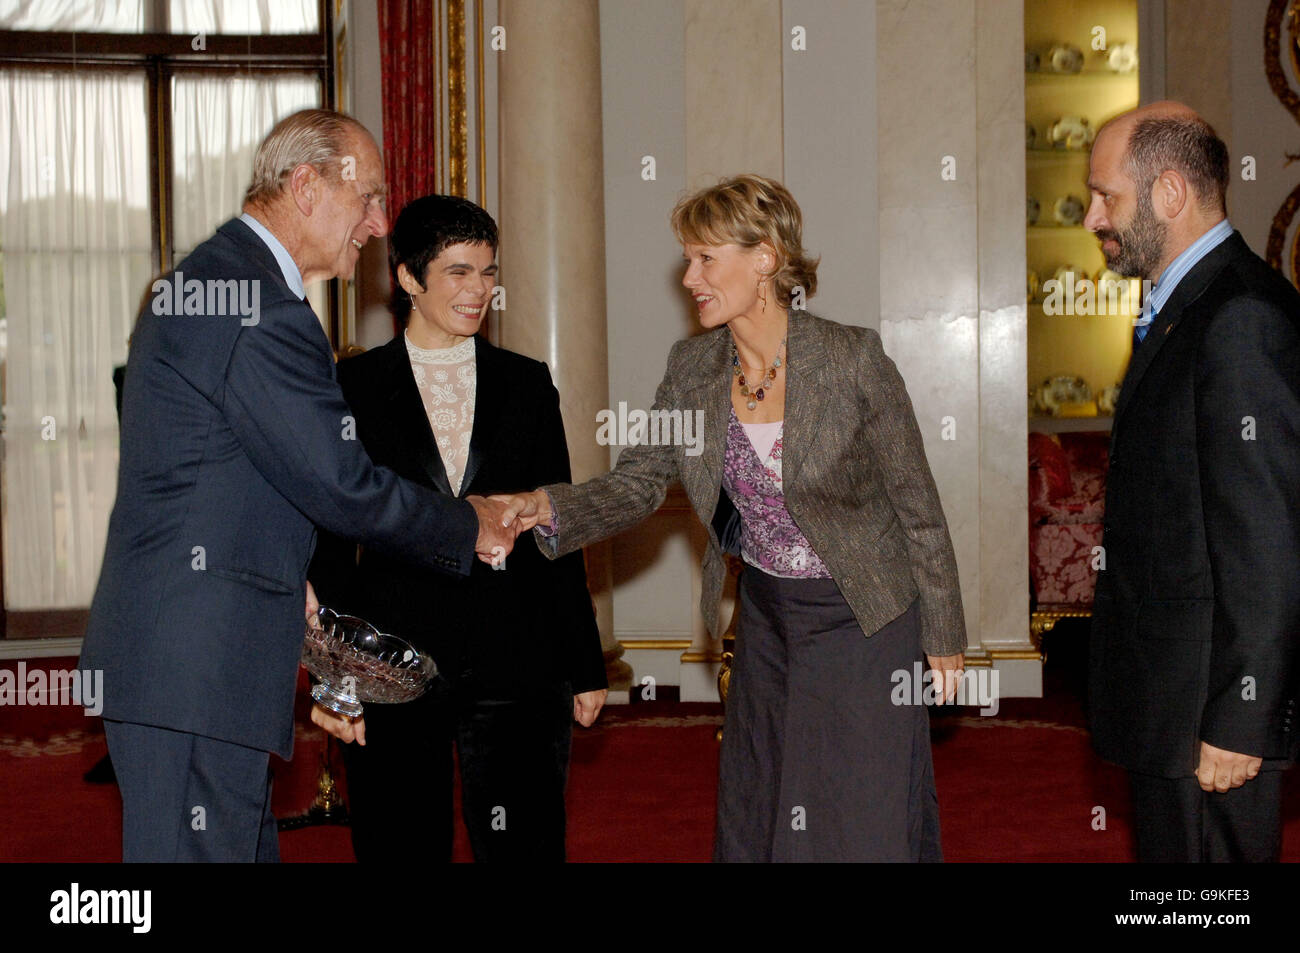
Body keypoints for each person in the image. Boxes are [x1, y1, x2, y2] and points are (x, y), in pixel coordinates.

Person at [78, 109, 518, 863]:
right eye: (370, 197)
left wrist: (308, 618)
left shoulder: (223, 280)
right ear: (307, 185)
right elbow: (338, 482)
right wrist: (467, 523)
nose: (379, 223)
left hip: (197, 653)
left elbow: (232, 479)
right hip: (196, 665)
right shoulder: (255, 303)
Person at [498, 174, 967, 862]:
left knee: (855, 808)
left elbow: (917, 505)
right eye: (688, 258)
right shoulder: (692, 369)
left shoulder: (850, 358)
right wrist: (548, 505)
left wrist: (945, 632)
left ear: (766, 259)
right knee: (764, 797)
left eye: (705, 257)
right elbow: (641, 481)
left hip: (865, 621)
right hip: (768, 618)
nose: (689, 276)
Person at [308, 194, 607, 862]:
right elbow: (329, 542)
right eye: (459, 271)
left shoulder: (526, 383)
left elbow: (555, 525)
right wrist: (335, 678)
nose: (479, 290)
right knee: (400, 846)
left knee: (524, 845)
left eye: (489, 272)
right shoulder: (351, 385)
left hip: (519, 658)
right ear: (410, 278)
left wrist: (582, 661)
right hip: (393, 657)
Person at [1084, 102, 1300, 862]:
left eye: (1105, 195)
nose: (1089, 217)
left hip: (1212, 709)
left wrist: (1243, 717)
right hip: (1174, 697)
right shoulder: (1191, 303)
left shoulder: (1239, 314)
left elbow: (1267, 538)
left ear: (1168, 193)